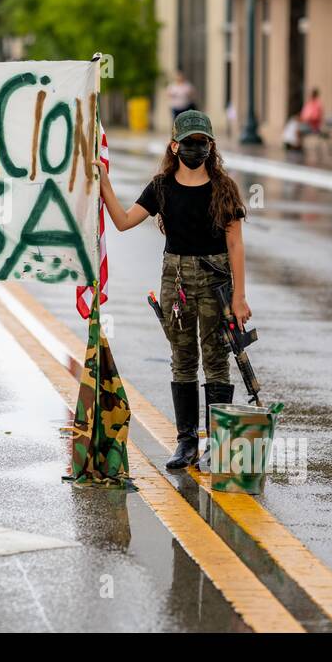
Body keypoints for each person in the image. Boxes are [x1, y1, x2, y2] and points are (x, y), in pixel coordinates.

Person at [97, 109, 249, 472]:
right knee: (182, 359)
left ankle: (217, 444)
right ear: (174, 145)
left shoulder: (223, 188)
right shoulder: (161, 187)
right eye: (189, 142)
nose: (196, 148)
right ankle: (186, 443)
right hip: (176, 281)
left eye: (202, 142)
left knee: (216, 361)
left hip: (216, 282)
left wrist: (239, 297)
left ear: (211, 146)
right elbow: (122, 221)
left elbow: (236, 245)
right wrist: (103, 183)